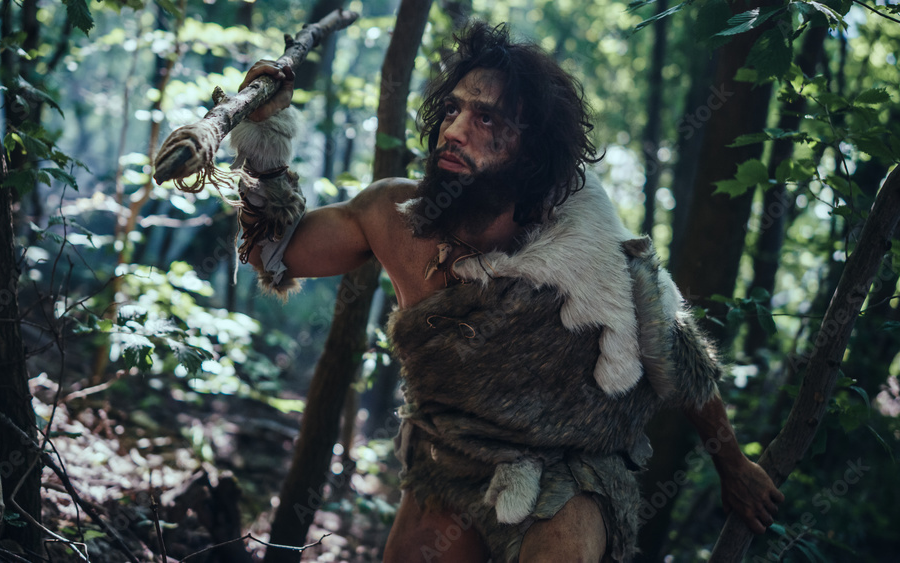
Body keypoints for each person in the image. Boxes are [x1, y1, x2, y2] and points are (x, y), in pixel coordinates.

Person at [229, 22, 783, 563]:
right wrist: (264, 139)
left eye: (486, 117)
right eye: (452, 110)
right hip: (450, 458)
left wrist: (733, 465)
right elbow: (276, 250)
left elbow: (677, 354)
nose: (454, 130)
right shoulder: (390, 215)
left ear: (532, 150)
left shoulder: (589, 247)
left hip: (567, 469)